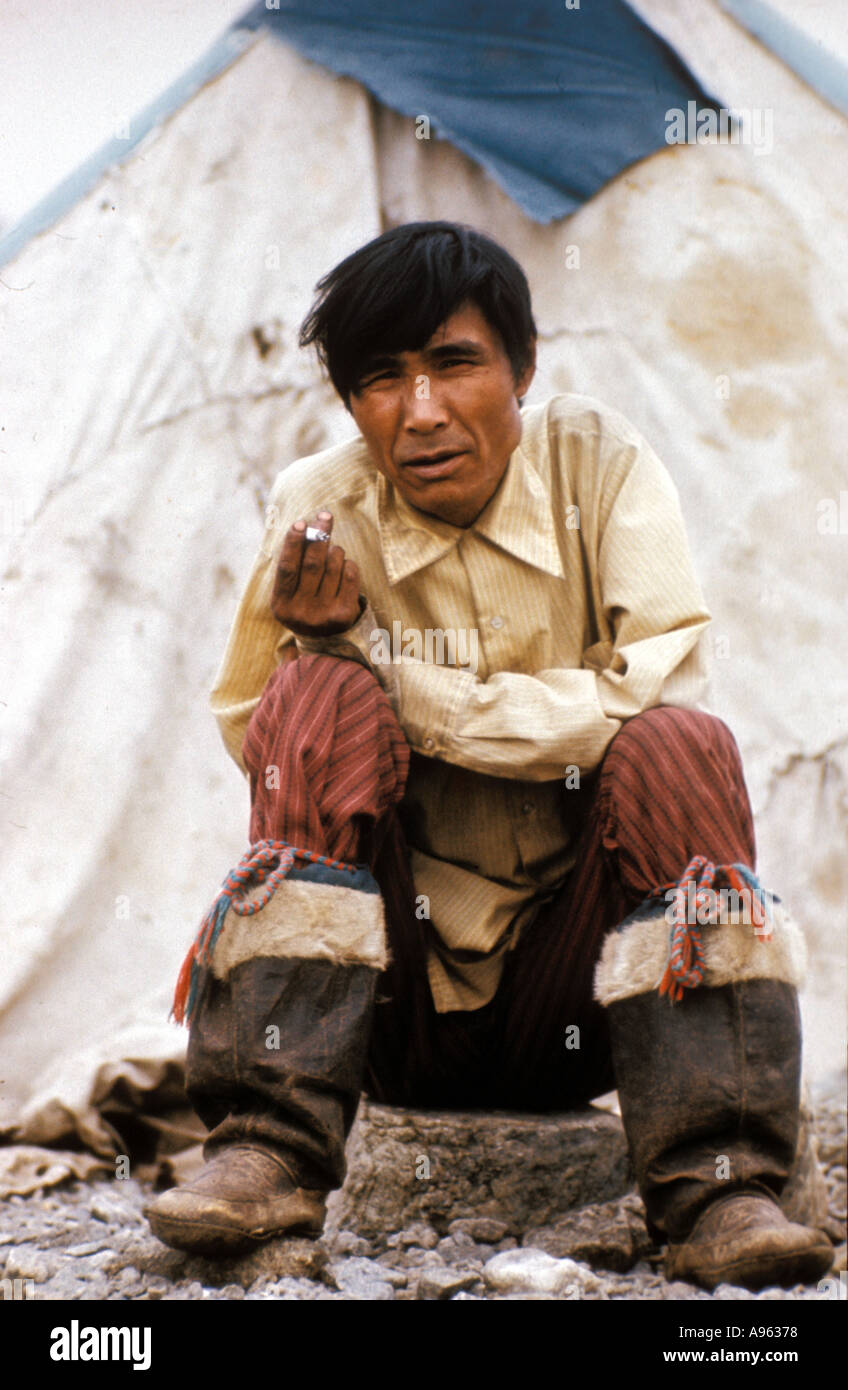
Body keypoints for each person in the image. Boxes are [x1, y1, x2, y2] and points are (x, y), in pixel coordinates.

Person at [146, 221, 832, 1291]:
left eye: (453, 365)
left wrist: (401, 682)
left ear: (521, 367)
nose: (419, 413)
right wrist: (337, 670)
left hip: (588, 994)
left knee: (680, 747)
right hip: (387, 1001)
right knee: (312, 695)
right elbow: (259, 734)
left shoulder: (600, 466)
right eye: (381, 379)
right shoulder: (319, 510)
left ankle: (719, 1183)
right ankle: (267, 1144)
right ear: (349, 403)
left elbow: (651, 693)